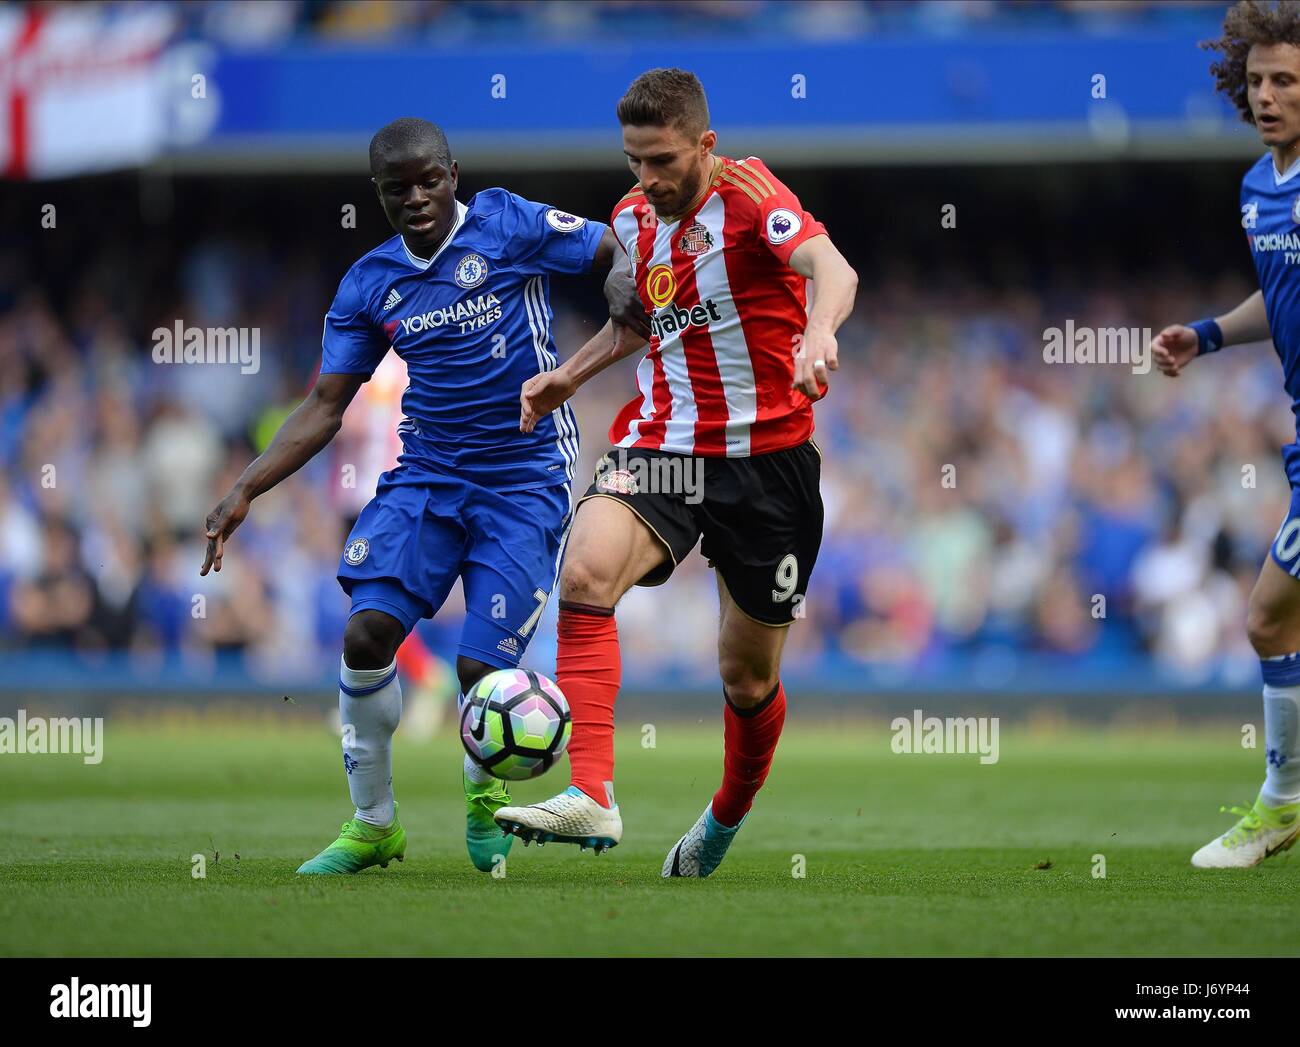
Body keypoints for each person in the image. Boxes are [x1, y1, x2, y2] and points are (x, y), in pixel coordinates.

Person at [200, 117, 645, 874]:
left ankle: (483, 808)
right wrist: (245, 487)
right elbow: (324, 404)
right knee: (366, 634)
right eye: (395, 187)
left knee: (484, 674)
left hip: (525, 476)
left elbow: (614, 250)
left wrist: (622, 294)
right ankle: (375, 825)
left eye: (428, 180)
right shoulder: (370, 283)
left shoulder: (508, 222)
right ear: (376, 194)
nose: (415, 197)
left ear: (454, 174)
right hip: (429, 477)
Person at [495, 68, 859, 878]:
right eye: (633, 161)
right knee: (586, 569)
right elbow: (639, 325)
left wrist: (817, 334)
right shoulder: (632, 218)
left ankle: (726, 815)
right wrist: (570, 375)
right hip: (664, 445)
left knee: (746, 674)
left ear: (706, 145)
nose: (647, 179)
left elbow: (834, 271)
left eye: (662, 160)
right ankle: (592, 789)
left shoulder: (750, 193)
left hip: (770, 465)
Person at [1152, 1, 1300, 867]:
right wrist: (1206, 334)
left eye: (1287, 81)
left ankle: (1281, 802)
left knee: (1268, 615)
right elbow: (1277, 297)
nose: (1270, 95)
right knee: (1271, 618)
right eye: (1258, 82)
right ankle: (1282, 803)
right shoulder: (1257, 189)